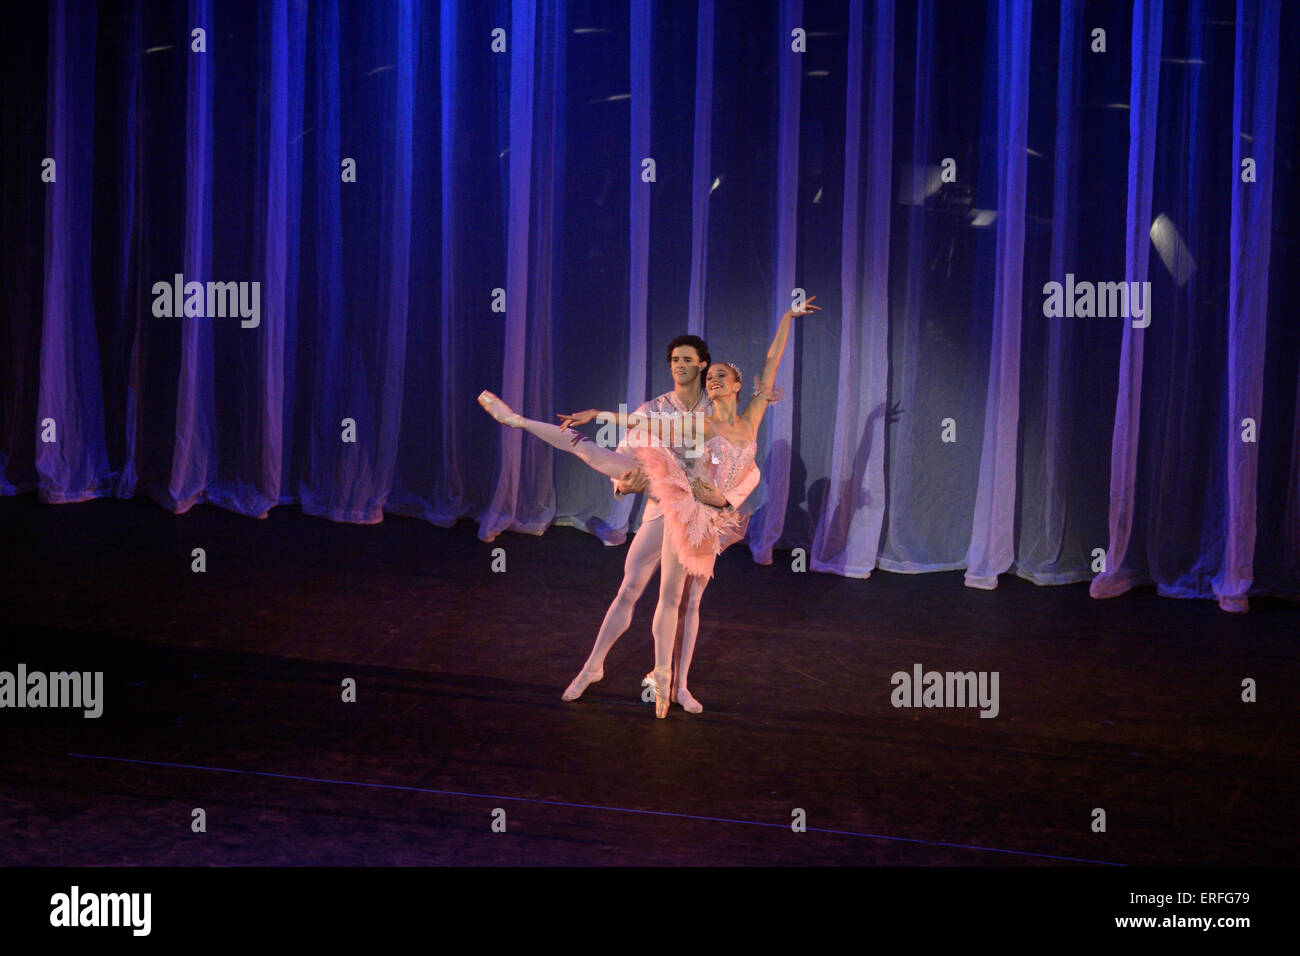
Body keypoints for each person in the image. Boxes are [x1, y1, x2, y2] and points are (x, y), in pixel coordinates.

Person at [479, 296, 820, 717]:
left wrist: (787, 317)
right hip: (669, 499)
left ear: (728, 380)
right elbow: (644, 428)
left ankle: (676, 684)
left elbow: (770, 366)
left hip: (703, 515)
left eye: (712, 372)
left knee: (685, 601)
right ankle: (519, 422)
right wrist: (603, 423)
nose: (702, 375)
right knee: (628, 568)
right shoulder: (690, 416)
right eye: (678, 361)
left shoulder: (747, 414)